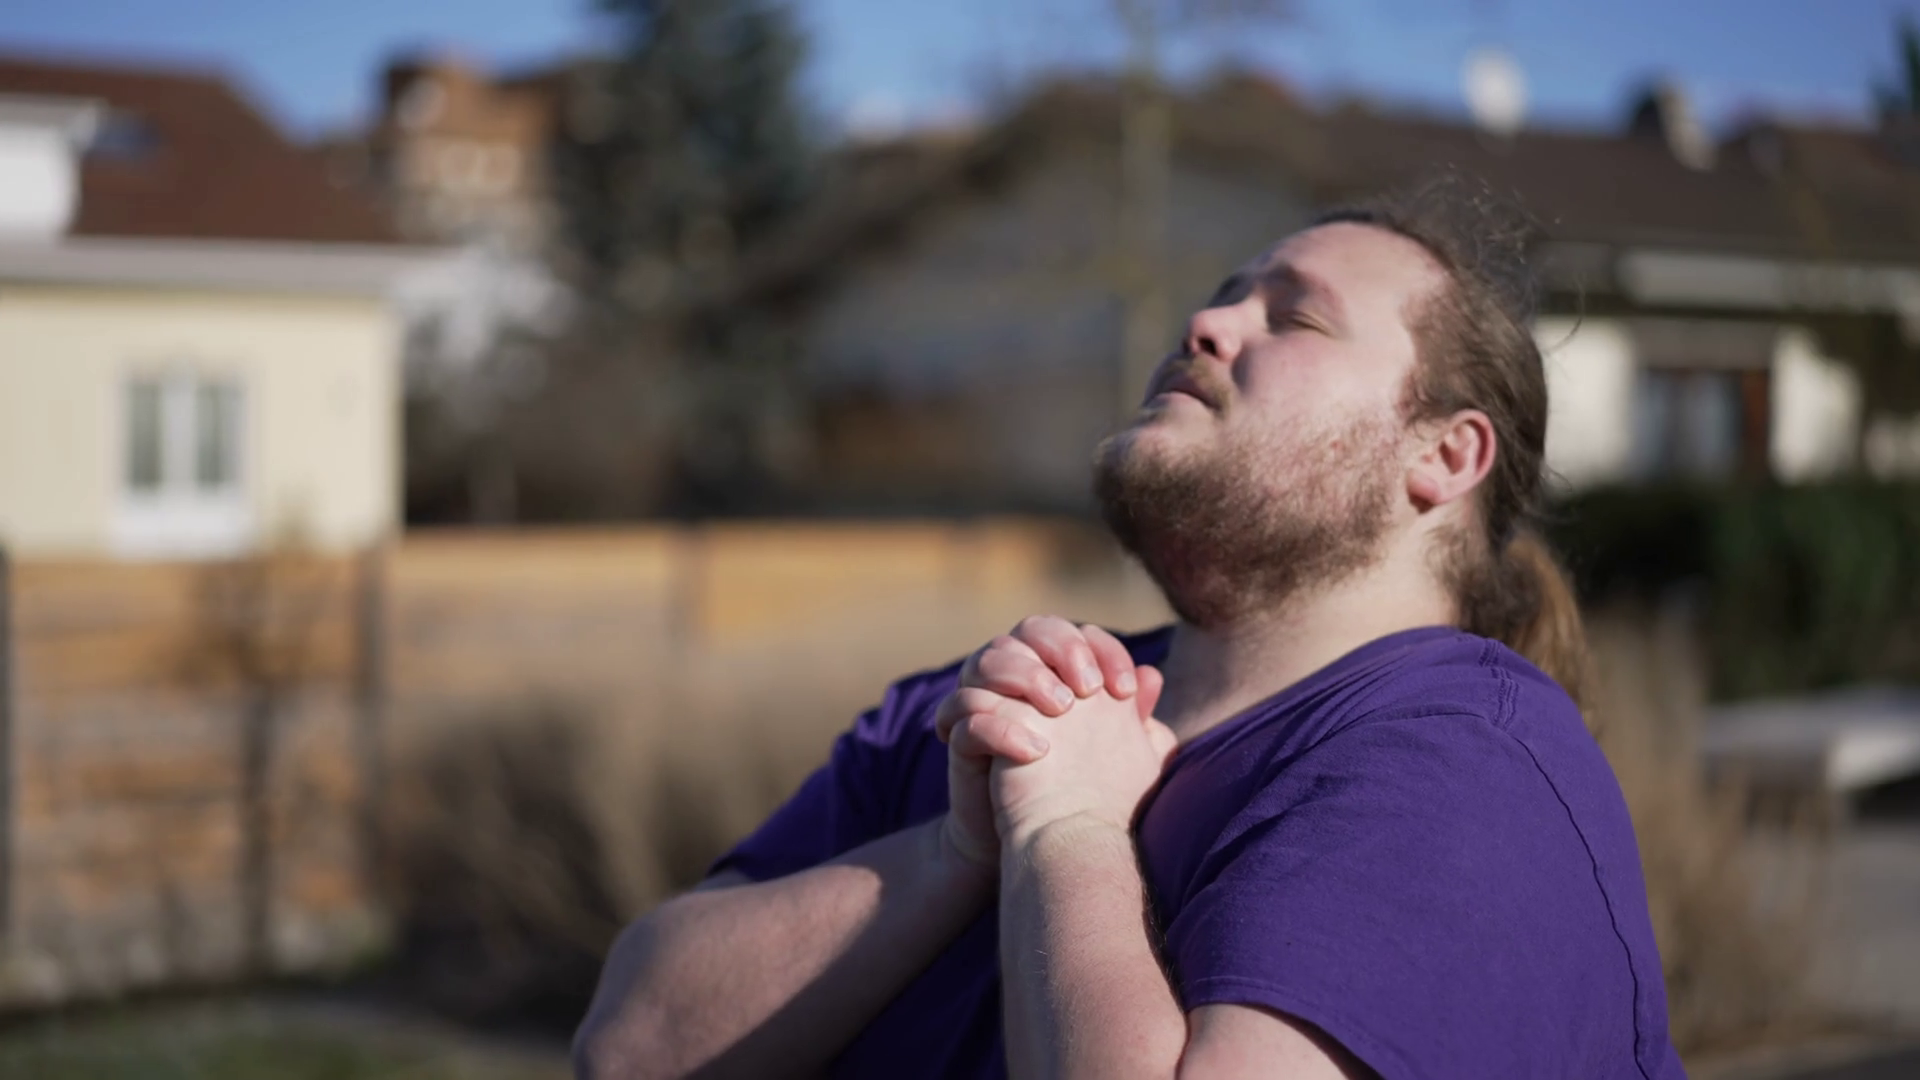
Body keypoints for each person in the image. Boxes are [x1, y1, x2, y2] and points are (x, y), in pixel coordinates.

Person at [573, 183, 1686, 1080]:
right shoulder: (973, 715)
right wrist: (955, 852)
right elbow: (628, 1047)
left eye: (1292, 314)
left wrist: (1067, 834)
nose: (1204, 324)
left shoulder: (1461, 765)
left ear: (1443, 457)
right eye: (1223, 295)